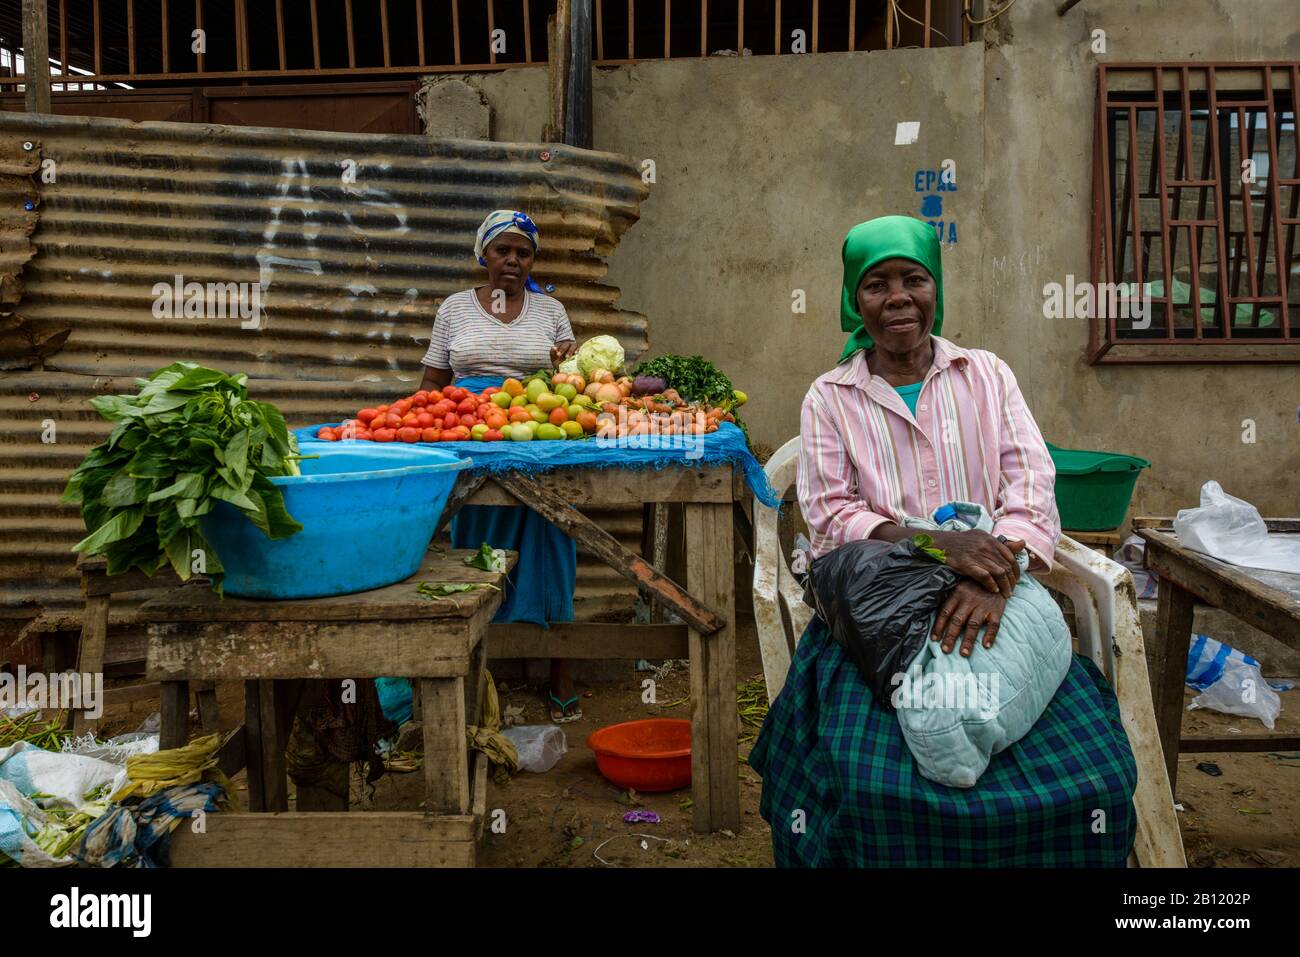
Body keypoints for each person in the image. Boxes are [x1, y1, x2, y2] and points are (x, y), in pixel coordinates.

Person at [749, 215, 1138, 866]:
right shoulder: (831, 397)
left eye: (914, 278)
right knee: (874, 787)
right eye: (877, 283)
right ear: (855, 298)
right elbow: (830, 515)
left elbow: (1031, 482)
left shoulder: (986, 376)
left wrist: (996, 572)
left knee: (1090, 775)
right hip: (877, 614)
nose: (897, 296)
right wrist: (936, 547)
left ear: (936, 290)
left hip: (993, 598)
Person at [417, 209, 583, 723]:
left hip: (538, 432)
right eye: (502, 250)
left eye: (523, 252)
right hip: (474, 435)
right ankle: (473, 666)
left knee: (554, 536)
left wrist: (568, 365)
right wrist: (410, 427)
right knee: (477, 551)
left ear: (532, 260)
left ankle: (561, 674)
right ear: (482, 255)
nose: (512, 260)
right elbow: (432, 385)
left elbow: (571, 380)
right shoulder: (453, 309)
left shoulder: (551, 310)